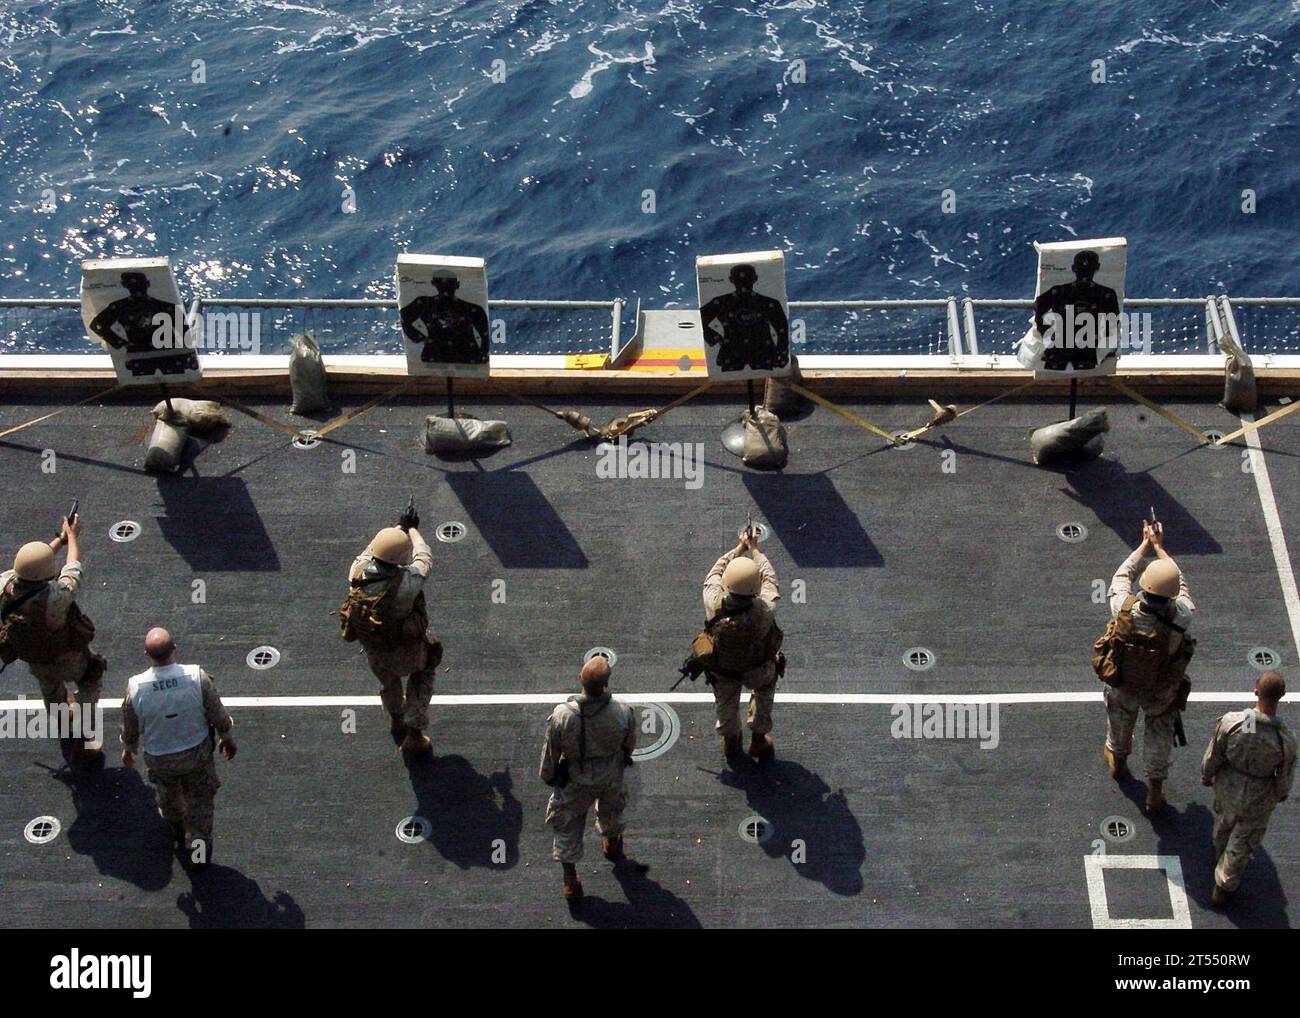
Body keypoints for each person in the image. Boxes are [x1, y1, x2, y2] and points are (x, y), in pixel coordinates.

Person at [1096, 520, 1194, 813]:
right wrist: (1160, 547)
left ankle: (1119, 762)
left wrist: (1144, 544)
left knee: (1119, 725)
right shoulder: (1182, 617)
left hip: (1123, 683)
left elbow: (1121, 575)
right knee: (1160, 735)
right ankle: (1155, 790)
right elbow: (1182, 584)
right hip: (1161, 690)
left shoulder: (1122, 608)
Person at [121, 628, 236, 871]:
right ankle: (200, 851)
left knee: (168, 794)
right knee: (201, 803)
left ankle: (175, 828)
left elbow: (130, 725)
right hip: (196, 755)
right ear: (174, 649)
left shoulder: (136, 687)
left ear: (146, 654)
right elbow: (217, 713)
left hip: (160, 758)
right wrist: (227, 737)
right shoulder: (197, 677)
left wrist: (129, 749)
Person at [0, 512, 105, 763]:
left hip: (34, 657)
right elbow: (73, 567)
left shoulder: (4, 585)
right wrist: (72, 536)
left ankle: (62, 720)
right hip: (66, 656)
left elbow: (32, 565)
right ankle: (84, 736)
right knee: (91, 679)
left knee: (50, 689)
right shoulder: (56, 598)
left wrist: (59, 539)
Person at [539, 655, 636, 902]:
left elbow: (552, 750)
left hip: (575, 778)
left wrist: (550, 776)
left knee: (567, 826)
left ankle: (570, 880)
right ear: (606, 683)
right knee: (612, 810)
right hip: (609, 772)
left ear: (580, 680)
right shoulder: (622, 711)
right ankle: (611, 844)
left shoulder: (563, 715)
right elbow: (629, 745)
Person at [340, 521, 440, 755]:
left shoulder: (357, 570)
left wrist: (398, 528)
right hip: (406, 649)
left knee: (389, 682)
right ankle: (415, 734)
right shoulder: (405, 584)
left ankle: (396, 718)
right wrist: (412, 530)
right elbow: (424, 559)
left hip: (375, 646)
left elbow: (368, 551)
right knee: (423, 673)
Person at [1201, 671, 1296, 905]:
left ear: (1256, 691)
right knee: (1242, 842)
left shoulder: (1233, 723)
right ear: (1281, 697)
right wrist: (1280, 794)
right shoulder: (1285, 740)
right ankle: (1224, 884)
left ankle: (1219, 855)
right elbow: (1284, 779)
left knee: (1223, 825)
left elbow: (1215, 754)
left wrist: (1207, 774)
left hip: (1228, 787)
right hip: (1259, 796)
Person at [701, 528, 783, 760]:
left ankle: (730, 740)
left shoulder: (713, 601)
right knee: (765, 689)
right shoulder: (765, 609)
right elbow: (770, 578)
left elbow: (716, 570)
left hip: (722, 667)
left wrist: (739, 548)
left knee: (725, 701)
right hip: (757, 667)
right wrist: (754, 549)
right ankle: (759, 738)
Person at [88, 271, 198, 376]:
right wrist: (191, 355)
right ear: (147, 284)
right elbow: (185, 335)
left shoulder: (119, 307)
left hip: (139, 357)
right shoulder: (167, 307)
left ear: (125, 286)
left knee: (142, 389)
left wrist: (121, 343)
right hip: (169, 357)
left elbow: (98, 325)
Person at [1033, 249, 1120, 372]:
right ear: (1097, 267)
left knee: (1057, 379)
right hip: (1082, 350)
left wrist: (1049, 333)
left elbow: (1039, 309)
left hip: (1066, 350)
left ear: (1073, 268)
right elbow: (1112, 321)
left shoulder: (1059, 291)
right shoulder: (1105, 293)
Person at [699, 263, 789, 372]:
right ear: (755, 279)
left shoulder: (722, 302)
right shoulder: (769, 303)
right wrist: (781, 354)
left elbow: (782, 330)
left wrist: (716, 338)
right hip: (758, 355)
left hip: (739, 355)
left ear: (731, 280)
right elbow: (782, 331)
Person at [400, 273, 490, 364]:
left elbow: (404, 318)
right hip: (467, 355)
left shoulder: (424, 303)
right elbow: (484, 336)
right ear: (457, 285)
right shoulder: (472, 308)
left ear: (433, 283)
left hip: (435, 354)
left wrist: (420, 338)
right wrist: (482, 355)